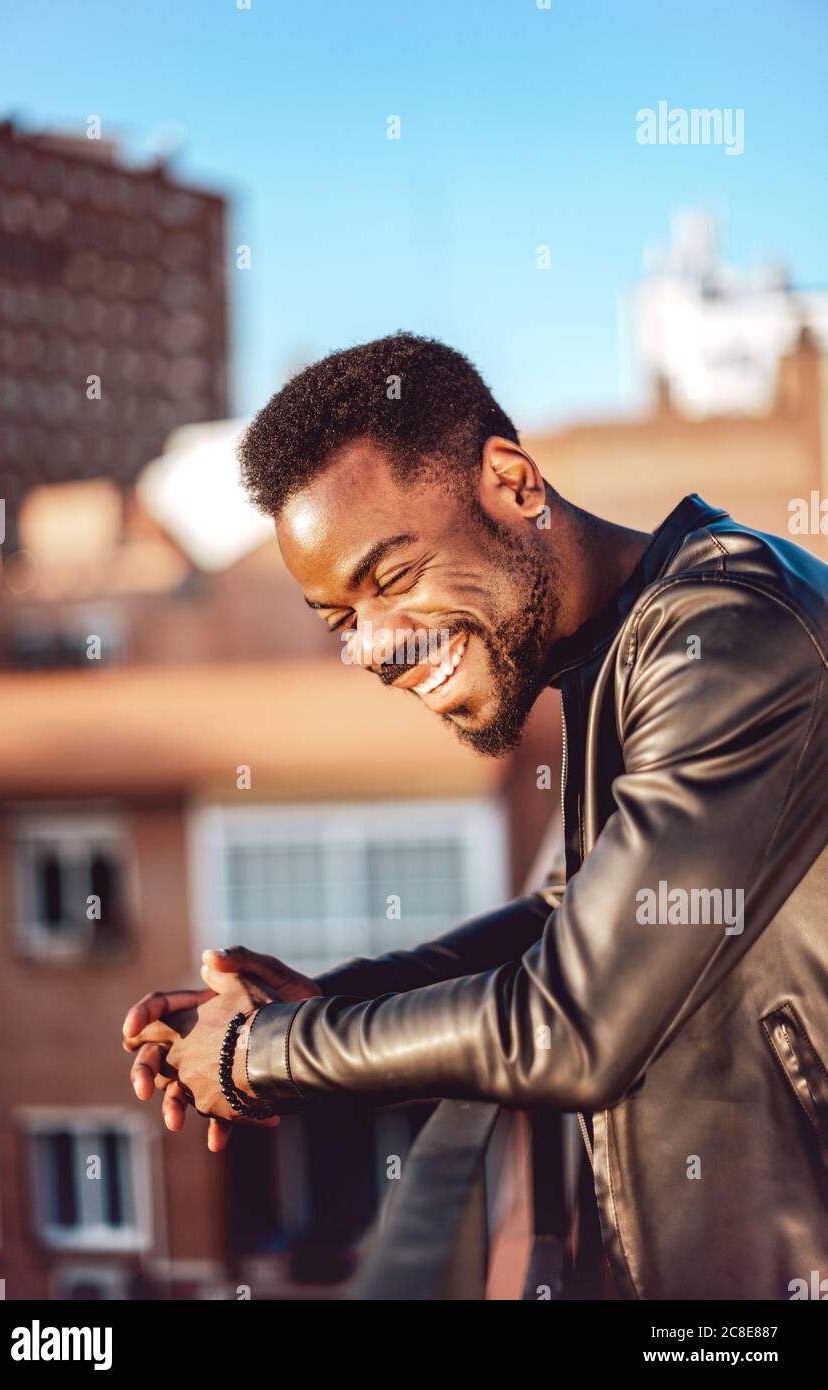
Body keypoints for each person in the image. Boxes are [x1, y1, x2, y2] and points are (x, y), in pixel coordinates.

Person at [123, 333, 828, 1299]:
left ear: (511, 483)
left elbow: (576, 1023)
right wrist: (321, 1004)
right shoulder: (624, 645)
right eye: (342, 620)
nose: (376, 648)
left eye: (395, 578)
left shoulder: (727, 640)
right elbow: (563, 917)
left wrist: (264, 1057)